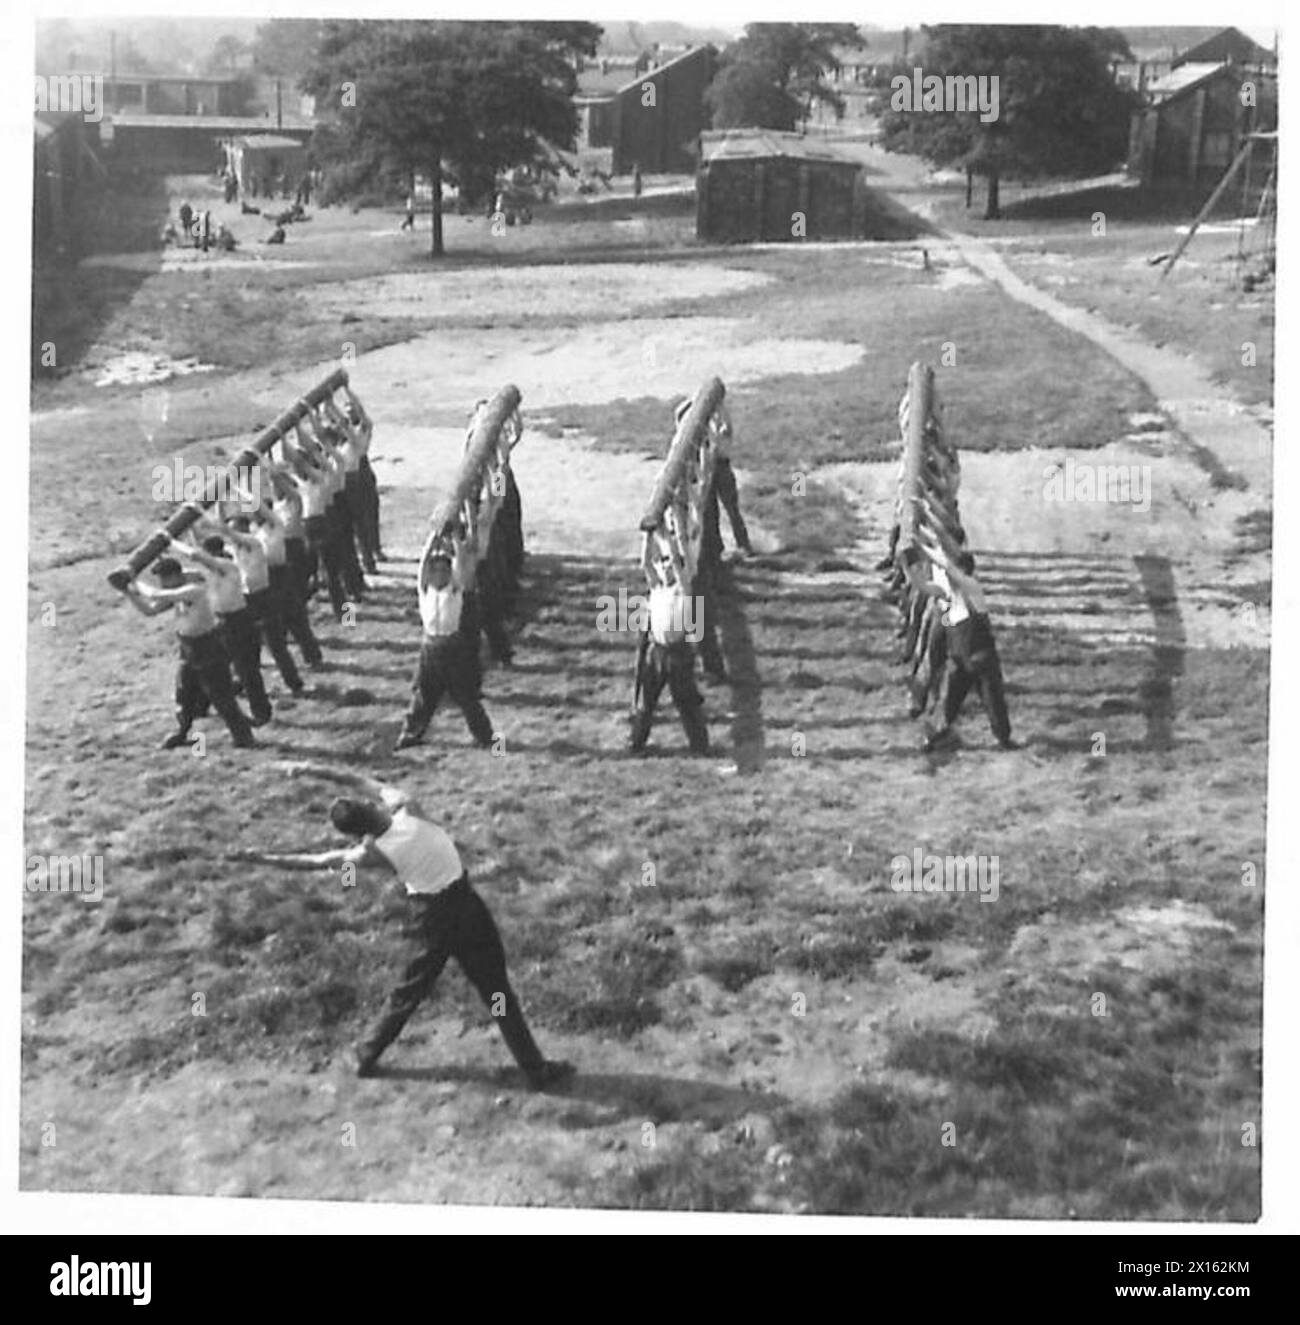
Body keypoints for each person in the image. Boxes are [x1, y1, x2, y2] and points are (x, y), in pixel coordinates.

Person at [238, 762, 573, 1088]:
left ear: (359, 834)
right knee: (497, 990)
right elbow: (354, 777)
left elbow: (319, 862)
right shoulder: (408, 806)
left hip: (433, 921)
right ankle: (535, 1069)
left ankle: (364, 1056)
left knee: (409, 990)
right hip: (469, 909)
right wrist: (309, 767)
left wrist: (262, 858)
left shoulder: (375, 854)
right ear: (370, 805)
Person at [121, 555, 255, 749]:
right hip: (188, 648)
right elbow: (150, 610)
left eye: (164, 579)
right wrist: (129, 593)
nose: (162, 583)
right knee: (183, 694)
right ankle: (182, 732)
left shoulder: (194, 590)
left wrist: (133, 581)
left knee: (221, 696)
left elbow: (155, 595)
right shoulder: (177, 592)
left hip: (208, 647)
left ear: (175, 576)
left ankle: (244, 737)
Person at [913, 536, 1013, 750]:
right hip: (967, 658)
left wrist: (924, 545)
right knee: (959, 702)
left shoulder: (971, 587)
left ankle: (1002, 738)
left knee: (988, 700)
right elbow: (922, 585)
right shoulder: (952, 593)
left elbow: (948, 568)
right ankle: (935, 737)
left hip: (975, 657)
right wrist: (910, 564)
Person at [396, 536, 494, 751]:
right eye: (435, 571)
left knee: (466, 696)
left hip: (453, 649)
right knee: (423, 695)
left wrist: (455, 539)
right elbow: (422, 563)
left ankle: (487, 738)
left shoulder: (455, 590)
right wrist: (432, 538)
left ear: (449, 574)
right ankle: (411, 734)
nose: (439, 574)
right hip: (430, 649)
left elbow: (462, 564)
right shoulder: (425, 591)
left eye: (443, 571)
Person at [170, 533, 273, 726]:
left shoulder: (228, 568)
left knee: (246, 670)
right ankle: (202, 706)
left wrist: (172, 543)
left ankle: (261, 712)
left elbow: (197, 556)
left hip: (238, 621)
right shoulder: (211, 573)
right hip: (220, 624)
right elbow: (189, 569)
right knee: (215, 668)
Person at [198, 513, 304, 697]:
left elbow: (228, 533)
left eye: (237, 529)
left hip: (264, 597)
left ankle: (348, 619)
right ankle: (245, 683)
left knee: (279, 640)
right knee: (247, 649)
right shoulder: (232, 552)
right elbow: (205, 550)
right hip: (246, 602)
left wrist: (203, 514)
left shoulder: (254, 544)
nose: (234, 533)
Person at [630, 549, 709, 755]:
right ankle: (636, 742)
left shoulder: (683, 590)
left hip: (678, 653)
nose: (665, 569)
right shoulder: (656, 588)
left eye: (670, 566)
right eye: (662, 565)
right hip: (657, 651)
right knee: (646, 700)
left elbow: (679, 565)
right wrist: (647, 536)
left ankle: (700, 746)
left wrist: (672, 547)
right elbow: (646, 563)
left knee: (686, 703)